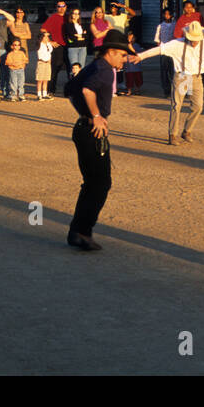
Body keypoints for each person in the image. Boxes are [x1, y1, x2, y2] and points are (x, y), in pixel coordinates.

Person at [63, 29, 132, 251]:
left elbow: (70, 90)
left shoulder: (95, 66)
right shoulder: (104, 70)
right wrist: (95, 116)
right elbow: (86, 90)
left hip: (83, 128)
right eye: (122, 55)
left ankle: (80, 231)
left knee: (93, 182)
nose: (125, 59)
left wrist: (85, 114)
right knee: (100, 183)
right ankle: (81, 231)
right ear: (111, 52)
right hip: (90, 130)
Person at [133, 20, 204, 145]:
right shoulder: (176, 44)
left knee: (198, 107)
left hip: (197, 77)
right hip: (182, 77)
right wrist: (140, 56)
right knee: (176, 106)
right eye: (192, 38)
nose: (194, 42)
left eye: (197, 39)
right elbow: (159, 50)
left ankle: (187, 131)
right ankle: (173, 134)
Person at [41, 0, 69, 92]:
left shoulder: (68, 17)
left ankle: (71, 89)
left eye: (63, 6)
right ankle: (51, 89)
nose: (61, 8)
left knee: (71, 68)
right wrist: (50, 41)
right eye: (59, 6)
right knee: (55, 68)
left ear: (66, 7)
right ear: (56, 8)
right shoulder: (53, 17)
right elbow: (43, 29)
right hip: (58, 46)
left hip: (69, 46)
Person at [152, 8, 176, 95]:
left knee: (173, 71)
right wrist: (161, 47)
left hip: (173, 50)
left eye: (168, 14)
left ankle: (175, 89)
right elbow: (157, 39)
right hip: (164, 50)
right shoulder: (160, 26)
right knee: (164, 71)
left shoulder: (175, 25)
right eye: (165, 14)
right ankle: (166, 89)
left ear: (171, 15)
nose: (167, 16)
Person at [63, 6, 90, 72]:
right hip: (73, 48)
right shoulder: (68, 25)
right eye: (74, 13)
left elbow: (87, 36)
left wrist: (79, 36)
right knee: (74, 68)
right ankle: (73, 81)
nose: (76, 15)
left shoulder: (82, 25)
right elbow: (71, 36)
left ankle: (80, 82)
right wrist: (82, 36)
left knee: (81, 67)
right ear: (71, 14)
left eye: (78, 14)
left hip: (83, 48)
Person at [121, 29, 143, 95]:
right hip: (128, 67)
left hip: (136, 66)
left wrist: (130, 46)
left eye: (132, 38)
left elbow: (135, 53)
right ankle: (129, 90)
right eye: (129, 38)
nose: (131, 39)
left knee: (138, 79)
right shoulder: (125, 45)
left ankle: (137, 90)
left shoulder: (137, 45)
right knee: (129, 79)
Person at [35, 29, 55, 100]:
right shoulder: (40, 44)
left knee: (46, 79)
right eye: (45, 36)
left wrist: (49, 61)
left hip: (47, 63)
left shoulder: (49, 44)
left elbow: (49, 53)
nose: (47, 38)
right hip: (41, 62)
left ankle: (45, 93)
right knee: (40, 79)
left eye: (48, 37)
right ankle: (39, 94)